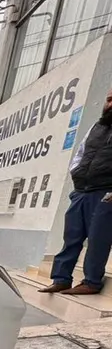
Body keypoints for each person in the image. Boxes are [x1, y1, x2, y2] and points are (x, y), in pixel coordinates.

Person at [41, 87, 112, 295]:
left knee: (99, 238)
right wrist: (76, 172)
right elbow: (80, 153)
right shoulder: (97, 127)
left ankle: (91, 282)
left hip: (105, 192)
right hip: (81, 190)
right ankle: (61, 279)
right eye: (109, 99)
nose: (110, 104)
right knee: (71, 236)